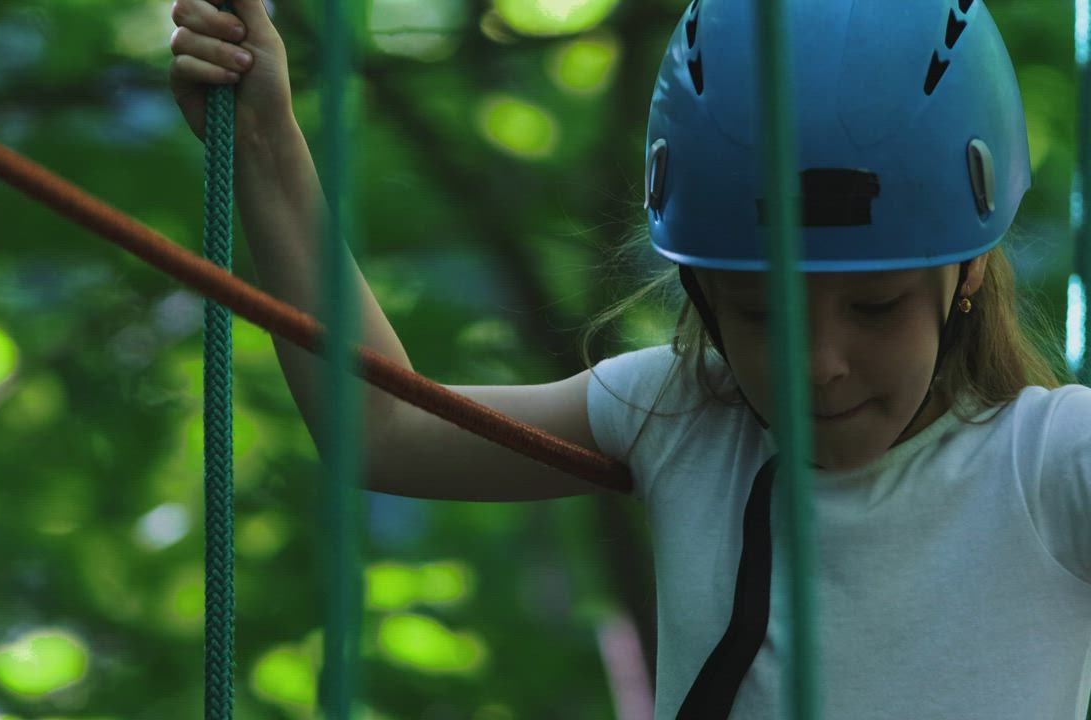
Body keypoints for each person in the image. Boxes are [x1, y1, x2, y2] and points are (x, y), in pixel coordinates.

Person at [169, 0, 1091, 717]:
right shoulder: (683, 419)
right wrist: (264, 142)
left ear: (967, 269)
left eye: (877, 306)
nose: (821, 366)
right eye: (763, 313)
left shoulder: (1051, 465)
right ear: (702, 298)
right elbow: (383, 427)